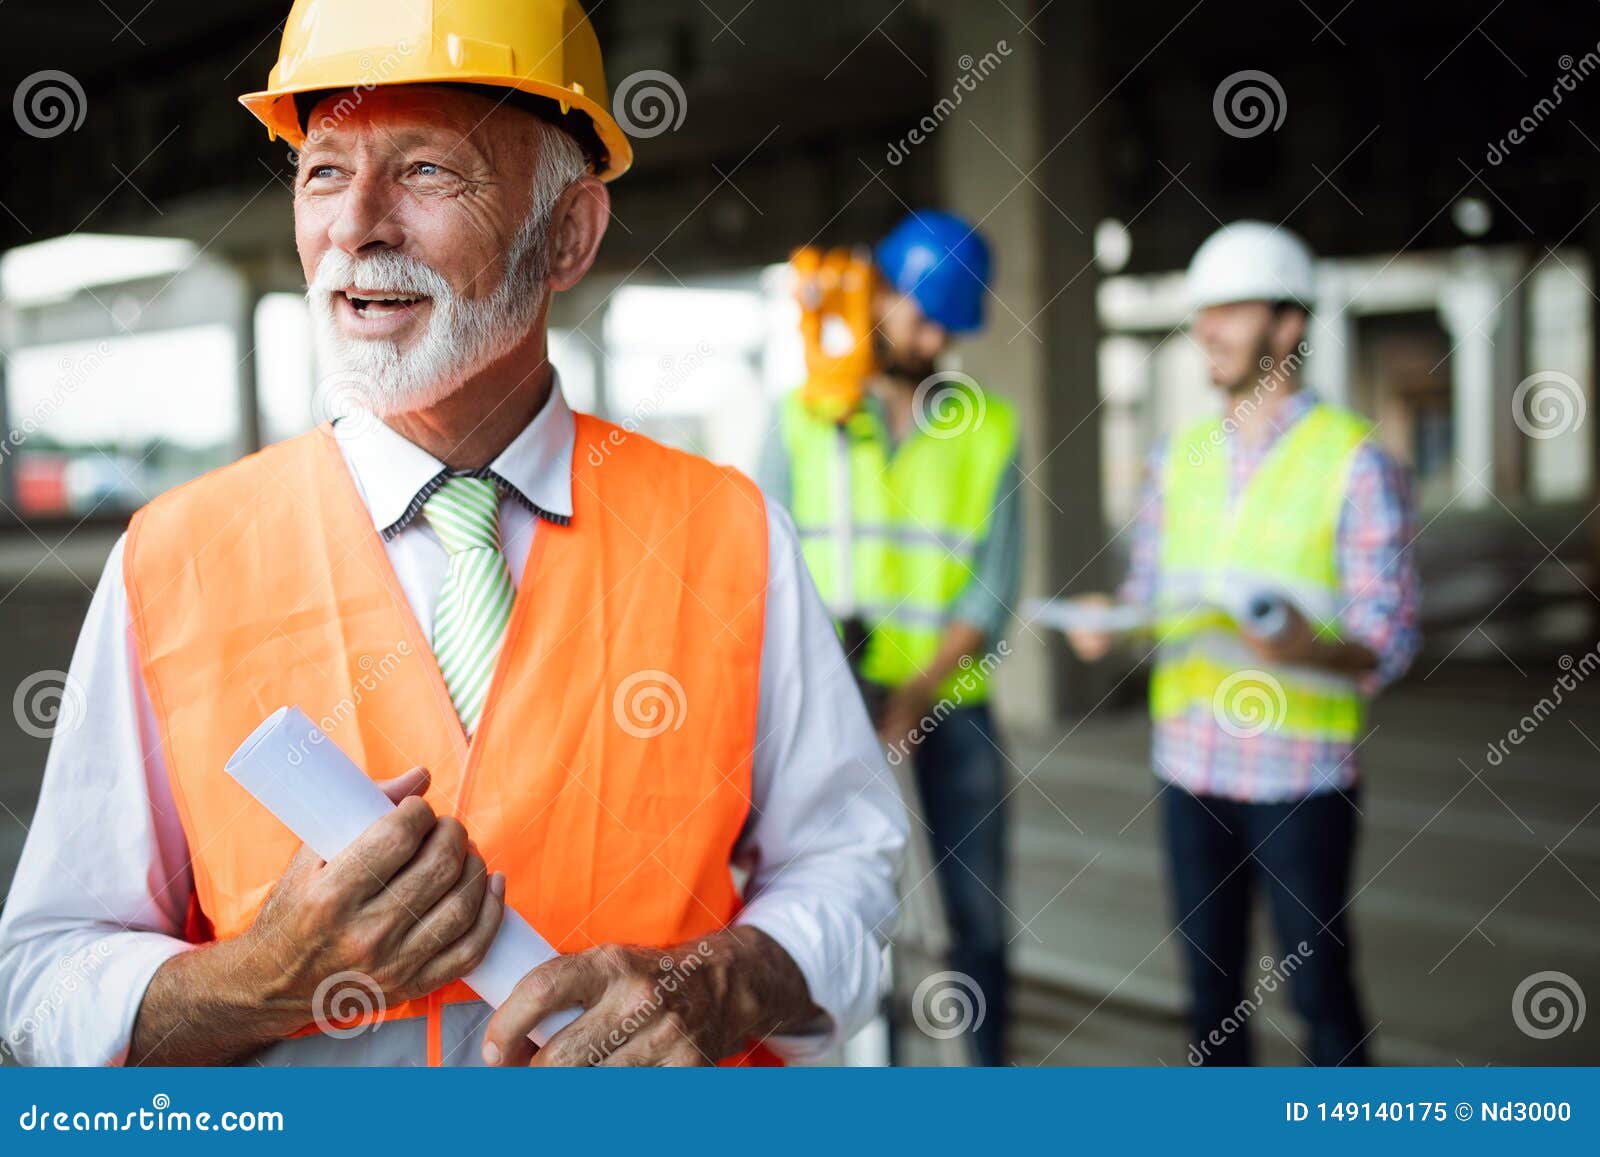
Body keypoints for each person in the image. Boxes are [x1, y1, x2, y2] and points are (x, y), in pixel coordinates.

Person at [0, 0, 906, 1068]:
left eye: (427, 170)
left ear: (566, 232)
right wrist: (260, 979)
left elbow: (847, 867)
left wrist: (715, 985)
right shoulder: (172, 559)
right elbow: (43, 978)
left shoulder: (728, 534)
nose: (356, 224)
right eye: (323, 169)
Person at [1066, 222, 1421, 1066]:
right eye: (1202, 313)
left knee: (1321, 997)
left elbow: (1391, 637)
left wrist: (1308, 648)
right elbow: (1152, 596)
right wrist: (1106, 618)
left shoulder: (1354, 461)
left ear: (1289, 324)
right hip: (1189, 768)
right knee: (1209, 1004)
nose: (1208, 331)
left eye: (1229, 309)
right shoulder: (1177, 458)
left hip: (1298, 776)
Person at [757, 211, 1022, 1065]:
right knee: (853, 906)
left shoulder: (986, 426)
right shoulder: (804, 418)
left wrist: (917, 692)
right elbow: (762, 562)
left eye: (950, 321)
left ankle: (986, 1077)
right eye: (920, 314)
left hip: (950, 700)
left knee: (977, 910)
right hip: (831, 704)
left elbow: (994, 581)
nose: (934, 335)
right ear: (879, 301)